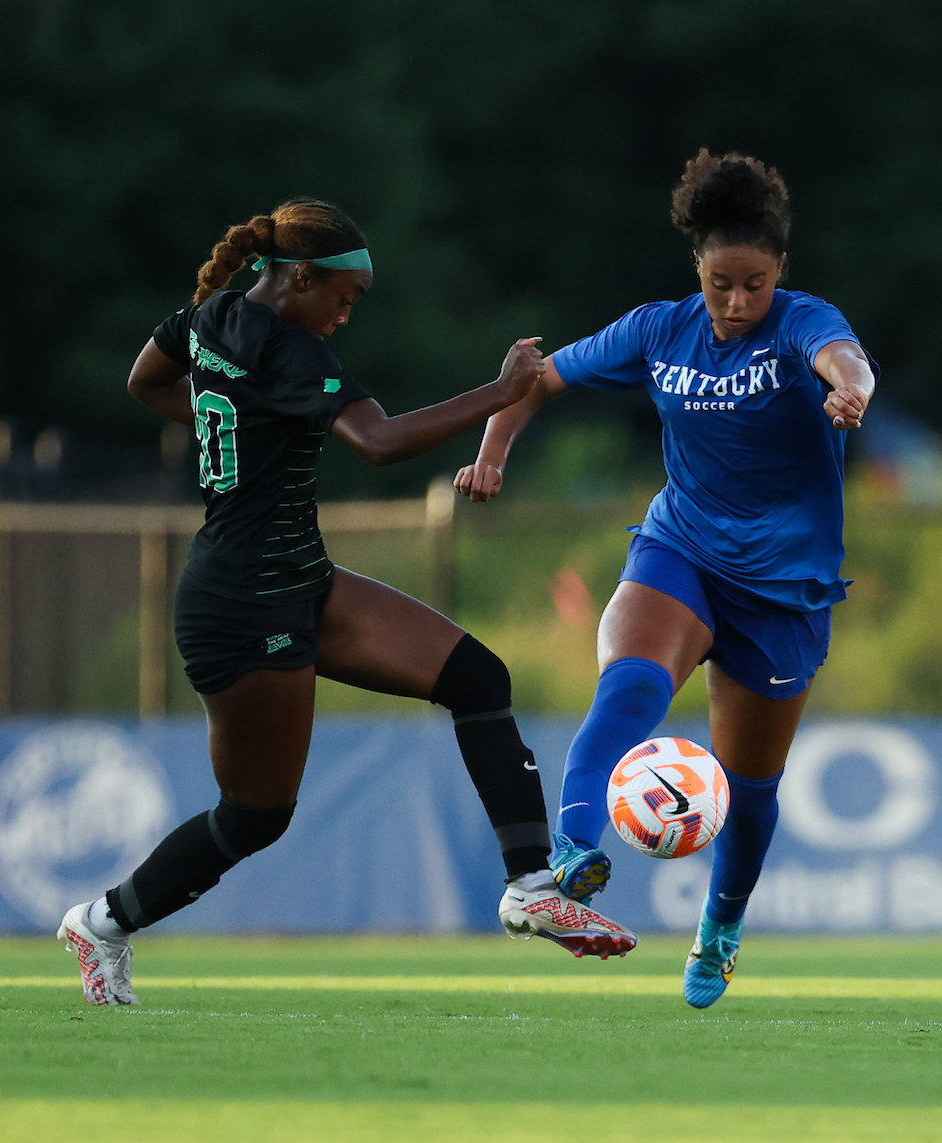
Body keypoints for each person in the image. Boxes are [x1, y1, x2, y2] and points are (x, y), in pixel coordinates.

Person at [57, 197, 637, 1005]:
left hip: (299, 581)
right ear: (301, 277)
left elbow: (144, 380)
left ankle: (531, 886)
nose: (345, 315)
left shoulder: (206, 318)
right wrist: (501, 391)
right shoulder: (292, 352)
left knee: (478, 678)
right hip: (241, 607)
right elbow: (380, 442)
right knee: (255, 815)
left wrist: (234, 423)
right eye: (345, 297)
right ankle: (101, 923)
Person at [455, 150, 877, 1008]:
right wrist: (493, 451)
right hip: (680, 549)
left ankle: (719, 930)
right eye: (721, 284)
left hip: (782, 592)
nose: (737, 302)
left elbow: (846, 360)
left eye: (755, 284)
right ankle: (571, 858)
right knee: (629, 690)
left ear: (781, 269)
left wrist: (851, 391)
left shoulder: (804, 321)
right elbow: (535, 381)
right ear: (697, 267)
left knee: (749, 792)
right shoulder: (657, 329)